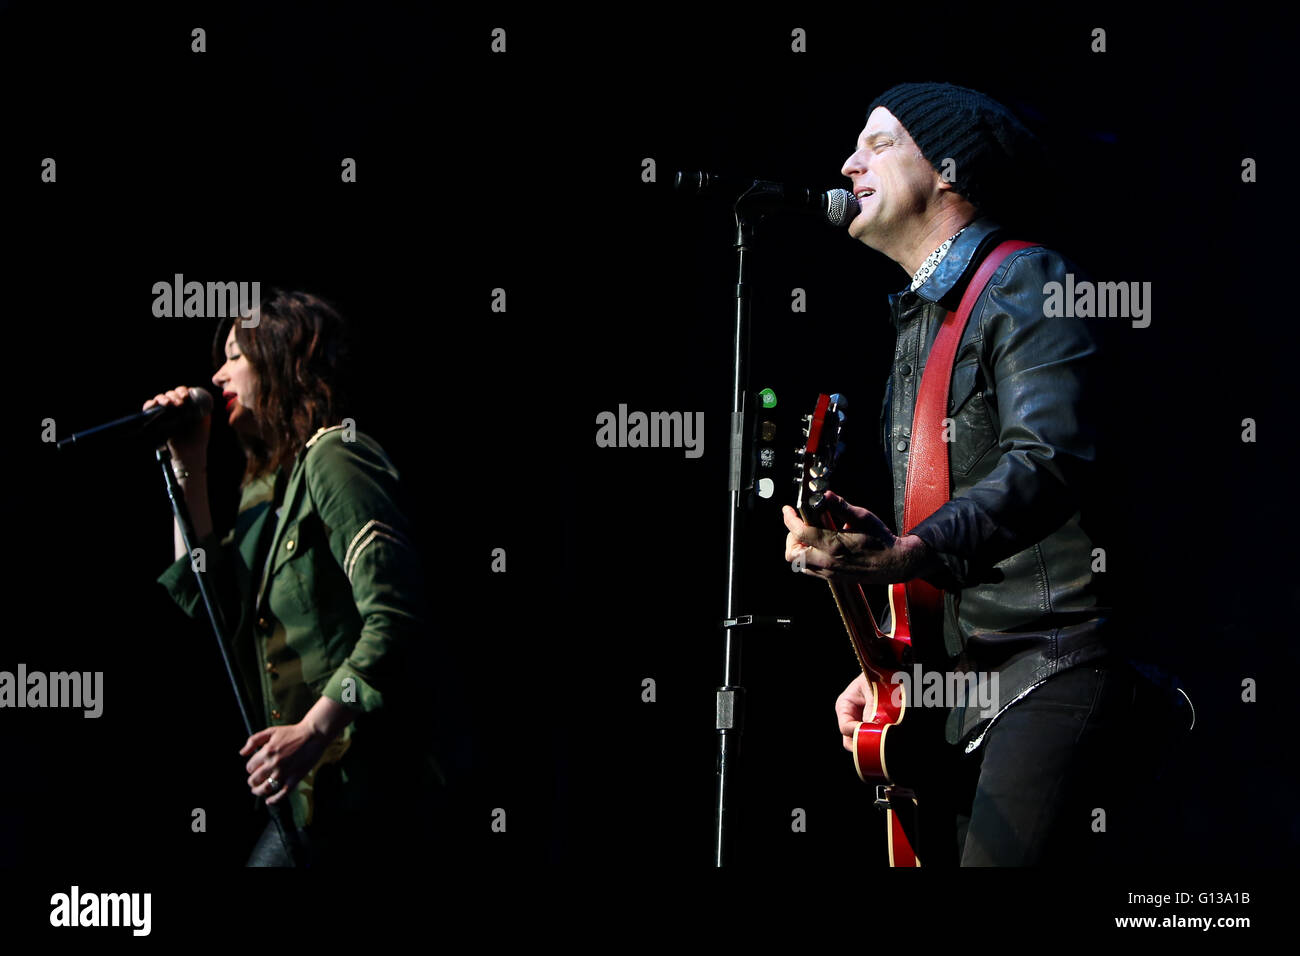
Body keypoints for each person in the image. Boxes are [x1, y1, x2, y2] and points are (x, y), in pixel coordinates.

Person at [781, 83, 1169, 866]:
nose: (850, 163)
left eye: (880, 143)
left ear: (950, 170)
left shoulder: (1030, 281)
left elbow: (1048, 460)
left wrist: (913, 549)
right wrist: (885, 672)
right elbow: (937, 536)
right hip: (964, 688)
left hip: (1053, 663)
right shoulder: (918, 322)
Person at [150, 290, 443, 866]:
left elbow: (396, 616)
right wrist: (188, 463)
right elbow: (208, 597)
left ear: (281, 355)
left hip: (370, 787)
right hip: (314, 798)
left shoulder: (337, 459)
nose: (217, 373)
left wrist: (312, 731)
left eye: (235, 354)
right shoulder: (267, 488)